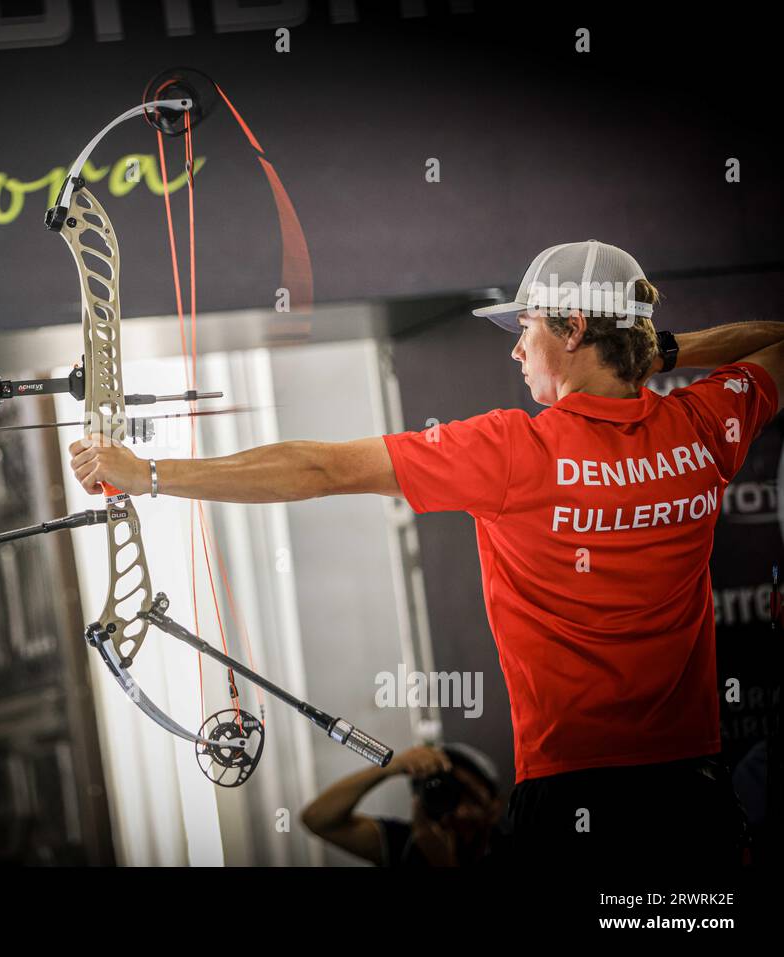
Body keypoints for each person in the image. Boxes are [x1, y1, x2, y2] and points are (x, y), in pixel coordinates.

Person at [68, 240, 783, 867]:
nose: (514, 347)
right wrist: (653, 353)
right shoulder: (703, 424)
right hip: (693, 799)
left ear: (571, 328)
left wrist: (150, 474)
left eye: (526, 327)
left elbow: (321, 469)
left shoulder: (513, 450)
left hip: (573, 800)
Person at [301, 743, 508, 867]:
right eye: (445, 795)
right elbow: (317, 819)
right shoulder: (405, 844)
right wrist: (389, 767)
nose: (459, 810)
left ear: (494, 806)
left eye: (470, 797)